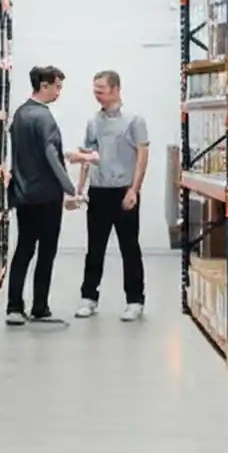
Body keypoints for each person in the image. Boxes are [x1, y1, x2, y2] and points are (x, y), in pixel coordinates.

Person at [73, 70, 150, 322]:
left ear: (115, 89)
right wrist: (80, 188)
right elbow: (87, 156)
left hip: (124, 191)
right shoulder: (93, 122)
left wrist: (134, 189)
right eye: (94, 89)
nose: (97, 93)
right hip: (99, 191)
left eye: (101, 89)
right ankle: (88, 297)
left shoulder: (134, 120)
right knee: (95, 247)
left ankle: (135, 301)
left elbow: (142, 155)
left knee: (129, 247)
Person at [6, 65, 80, 326]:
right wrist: (70, 188)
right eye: (57, 86)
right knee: (46, 251)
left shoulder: (20, 114)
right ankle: (40, 306)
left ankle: (14, 307)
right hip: (47, 196)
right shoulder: (44, 117)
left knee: (24, 249)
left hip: (24, 194)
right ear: (44, 85)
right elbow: (51, 155)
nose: (59, 92)